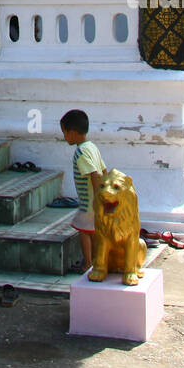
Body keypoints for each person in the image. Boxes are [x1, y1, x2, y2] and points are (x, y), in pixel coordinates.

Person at [60, 108, 106, 271]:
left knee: (83, 230)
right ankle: (95, 259)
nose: (64, 137)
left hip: (89, 202)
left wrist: (98, 198)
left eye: (65, 133)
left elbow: (94, 173)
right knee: (91, 230)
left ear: (72, 133)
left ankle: (88, 262)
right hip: (95, 199)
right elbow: (103, 170)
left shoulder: (80, 152)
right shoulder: (91, 147)